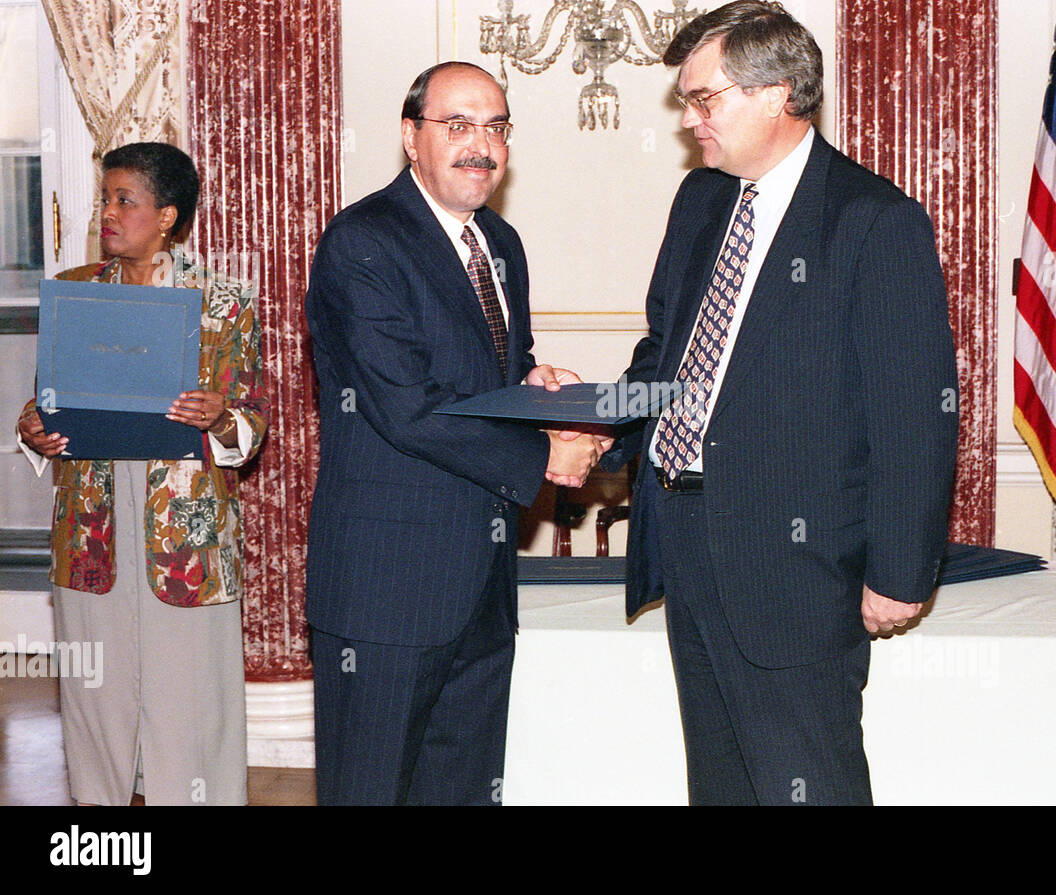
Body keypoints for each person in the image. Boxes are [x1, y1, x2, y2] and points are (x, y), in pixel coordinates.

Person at [603, 1, 959, 805]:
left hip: (799, 570)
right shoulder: (701, 202)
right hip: (689, 544)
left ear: (775, 94)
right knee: (722, 786)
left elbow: (917, 414)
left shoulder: (874, 222)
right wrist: (592, 415)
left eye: (704, 99)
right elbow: (666, 358)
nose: (689, 120)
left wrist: (901, 572)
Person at [304, 61, 605, 806]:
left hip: (480, 580)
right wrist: (544, 453)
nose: (482, 146)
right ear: (411, 137)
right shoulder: (363, 242)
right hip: (387, 589)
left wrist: (530, 391)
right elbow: (406, 405)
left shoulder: (498, 242)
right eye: (458, 125)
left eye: (496, 127)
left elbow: (484, 379)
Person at [16, 141, 268, 806]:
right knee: (95, 702)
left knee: (191, 704)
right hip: (92, 527)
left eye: (124, 199)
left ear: (167, 216)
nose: (107, 212)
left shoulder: (224, 302)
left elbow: (252, 425)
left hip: (188, 538)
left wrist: (219, 418)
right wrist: (33, 430)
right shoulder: (71, 293)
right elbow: (47, 408)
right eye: (105, 197)